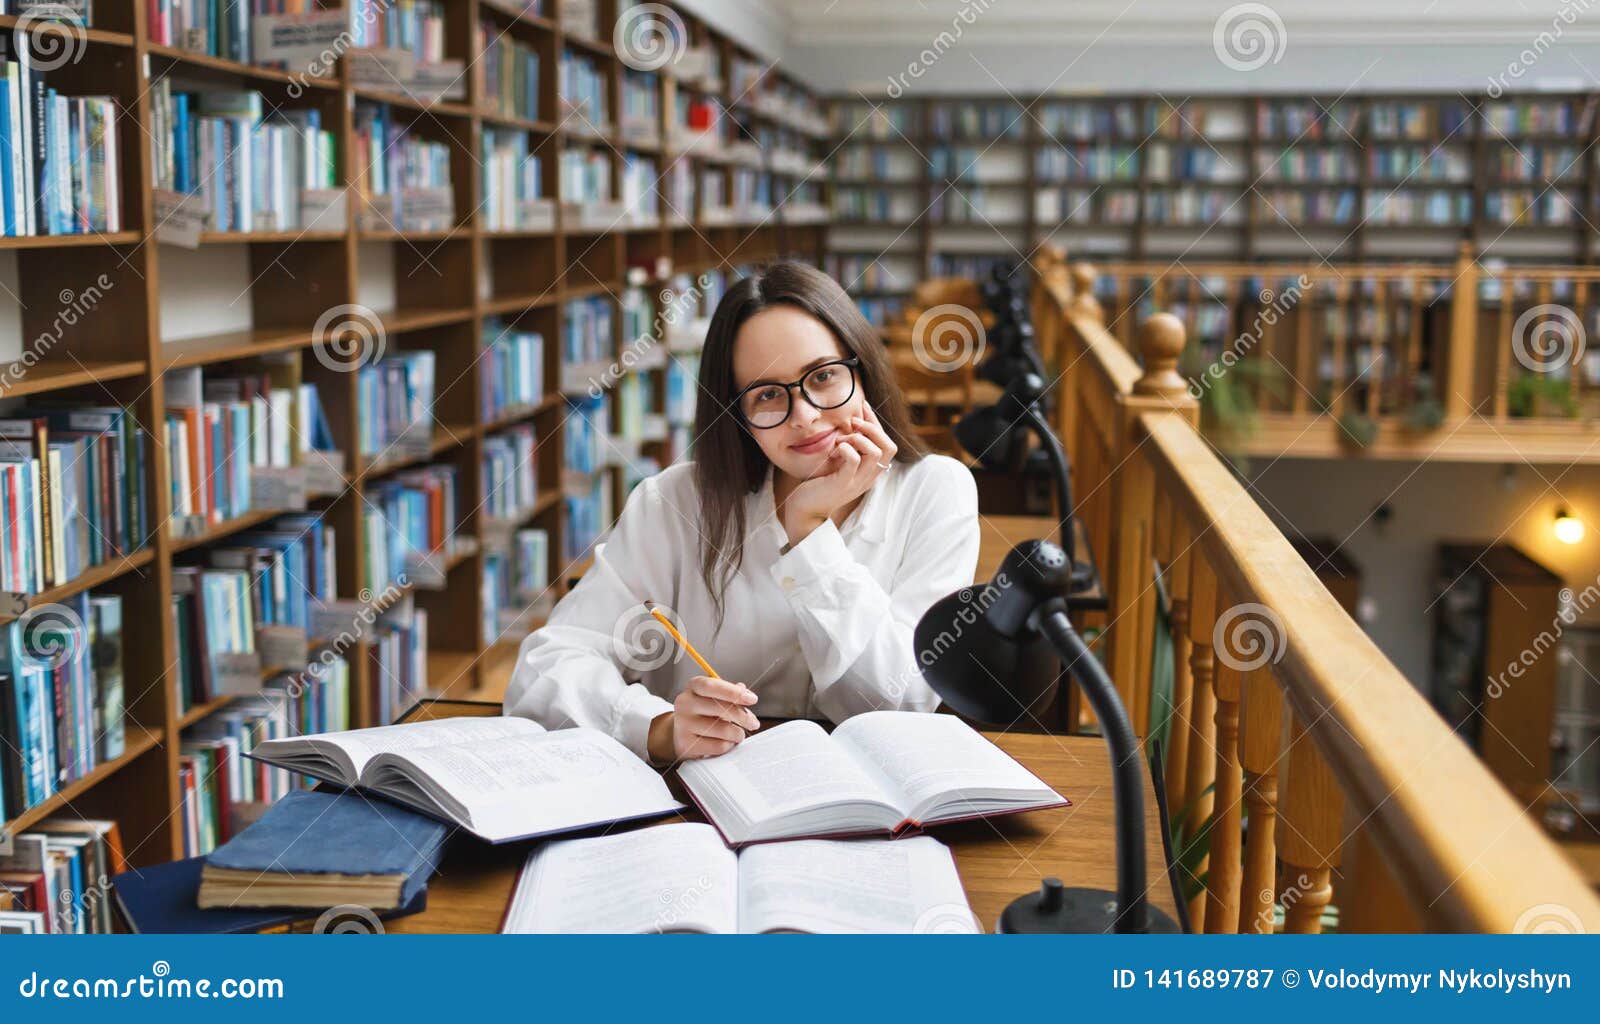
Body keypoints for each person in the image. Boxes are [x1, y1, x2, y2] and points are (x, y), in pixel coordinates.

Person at [505, 261, 980, 764]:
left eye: (823, 376)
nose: (806, 416)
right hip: (701, 802)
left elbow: (900, 703)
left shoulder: (935, 491)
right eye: (769, 395)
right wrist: (656, 727)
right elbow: (543, 670)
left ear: (863, 371)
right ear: (737, 417)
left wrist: (807, 535)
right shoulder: (673, 503)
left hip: (872, 803)